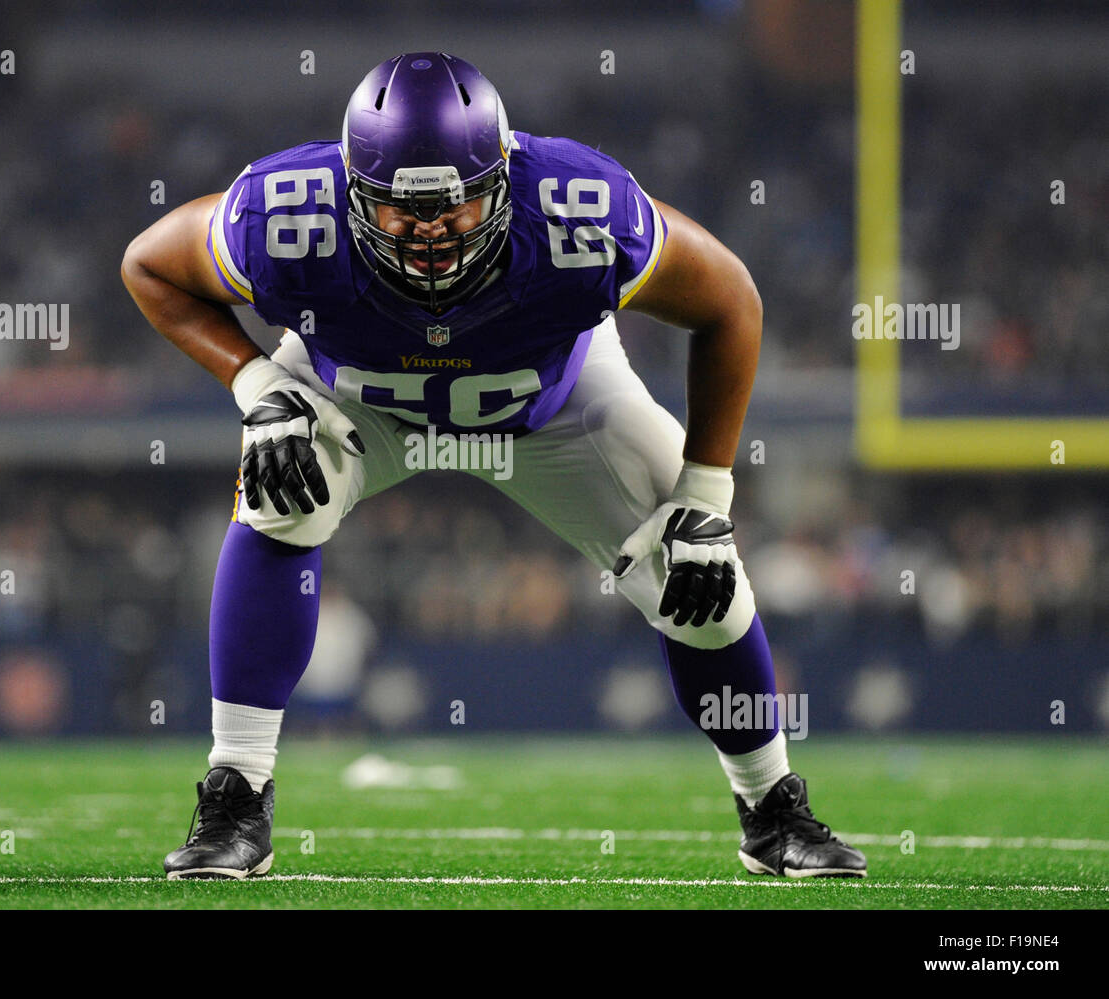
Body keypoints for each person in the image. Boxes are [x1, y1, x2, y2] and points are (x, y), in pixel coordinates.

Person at [121, 52, 866, 880]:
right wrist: (256, 381)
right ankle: (235, 795)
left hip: (554, 401)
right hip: (362, 403)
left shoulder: (580, 208)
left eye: (455, 203)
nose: (430, 230)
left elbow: (730, 298)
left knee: (698, 570)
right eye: (401, 209)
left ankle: (771, 810)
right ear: (352, 190)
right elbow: (148, 264)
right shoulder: (287, 212)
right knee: (280, 493)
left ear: (506, 177)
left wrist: (706, 492)